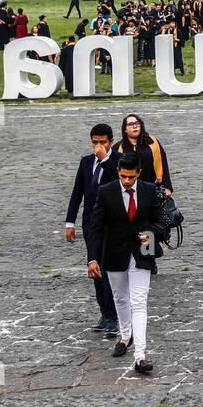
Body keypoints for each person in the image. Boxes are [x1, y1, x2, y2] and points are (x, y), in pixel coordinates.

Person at [87, 152, 170, 374]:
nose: (126, 181)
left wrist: (151, 232)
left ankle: (140, 355)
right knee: (120, 298)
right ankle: (125, 336)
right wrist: (92, 258)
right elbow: (95, 227)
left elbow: (161, 221)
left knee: (139, 302)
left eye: (131, 177)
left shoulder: (149, 190)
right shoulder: (106, 192)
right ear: (118, 172)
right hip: (114, 252)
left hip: (144, 250)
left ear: (139, 173)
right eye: (123, 176)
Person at [66, 123, 120, 334]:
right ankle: (105, 313)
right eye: (95, 142)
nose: (98, 146)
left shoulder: (118, 161)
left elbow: (117, 182)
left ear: (111, 142)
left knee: (108, 270)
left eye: (102, 143)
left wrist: (105, 160)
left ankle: (115, 315)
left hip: (111, 224)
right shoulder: (86, 162)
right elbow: (77, 192)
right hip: (90, 224)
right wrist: (70, 222)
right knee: (95, 269)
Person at [114, 114, 173, 193]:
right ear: (125, 129)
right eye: (131, 124)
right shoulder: (118, 148)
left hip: (153, 187)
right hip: (129, 190)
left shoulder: (153, 142)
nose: (135, 126)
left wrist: (167, 186)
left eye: (137, 123)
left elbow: (163, 162)